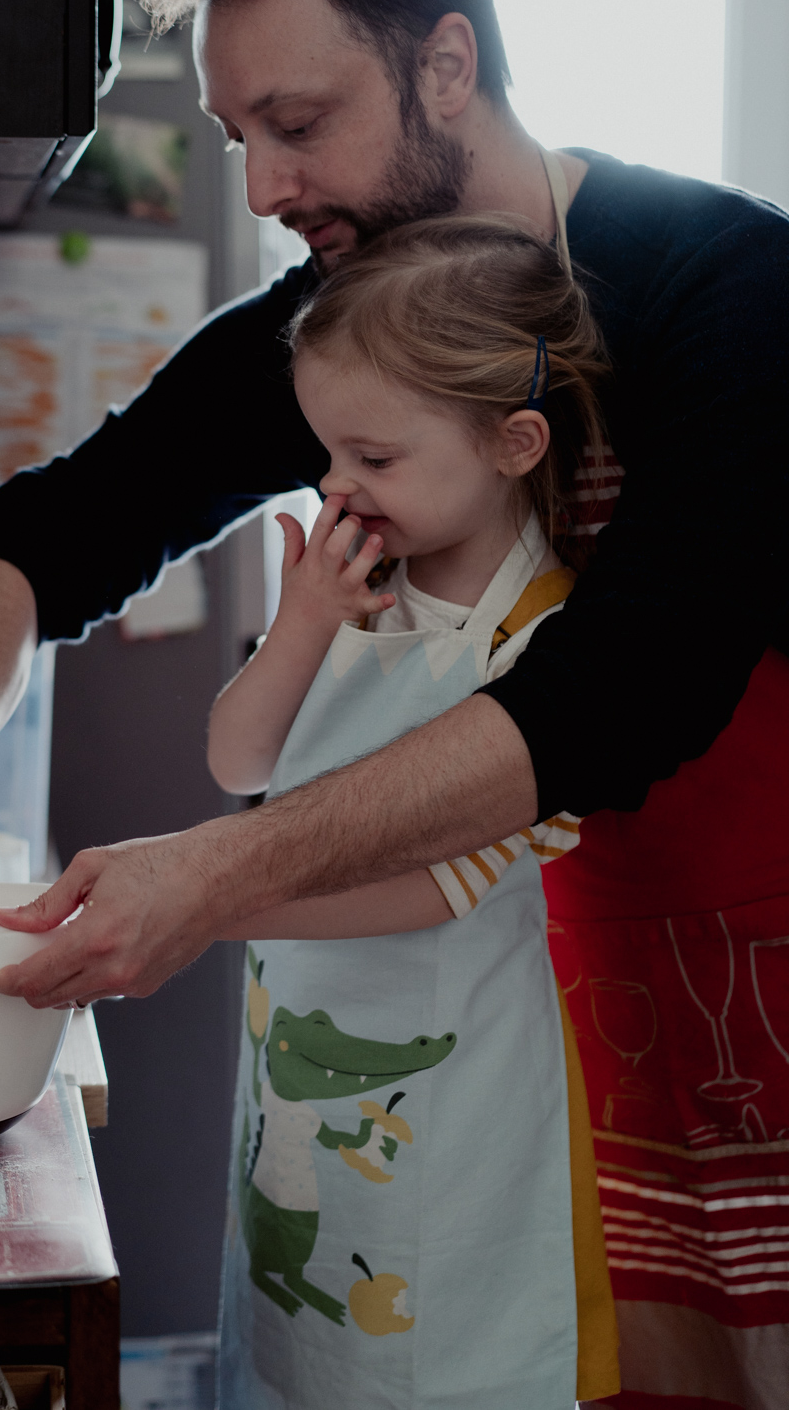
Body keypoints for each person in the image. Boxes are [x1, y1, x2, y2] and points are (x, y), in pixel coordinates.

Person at [0, 0, 789, 1403]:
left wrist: (215, 875)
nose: (265, 185)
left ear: (446, 66)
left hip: (748, 1003)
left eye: (298, 124)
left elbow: (629, 686)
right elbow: (54, 531)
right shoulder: (329, 337)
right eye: (240, 138)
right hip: (530, 1044)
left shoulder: (730, 289)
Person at [206, 210, 618, 1407]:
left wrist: (213, 898)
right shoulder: (354, 582)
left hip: (451, 1095)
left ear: (513, 443)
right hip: (299, 1046)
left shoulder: (552, 643)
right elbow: (237, 758)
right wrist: (300, 623)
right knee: (296, 1319)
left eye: (374, 457)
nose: (338, 483)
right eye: (327, 451)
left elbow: (440, 883)